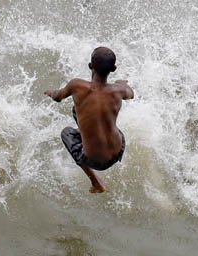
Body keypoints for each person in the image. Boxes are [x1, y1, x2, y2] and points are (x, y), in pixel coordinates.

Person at [45, 47, 134, 193]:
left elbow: (58, 97)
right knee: (98, 116)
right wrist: (122, 84)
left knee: (66, 133)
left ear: (90, 65)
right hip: (119, 150)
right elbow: (131, 94)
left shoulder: (76, 85)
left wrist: (50, 92)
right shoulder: (119, 90)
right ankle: (96, 140)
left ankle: (96, 182)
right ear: (113, 69)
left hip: (95, 161)